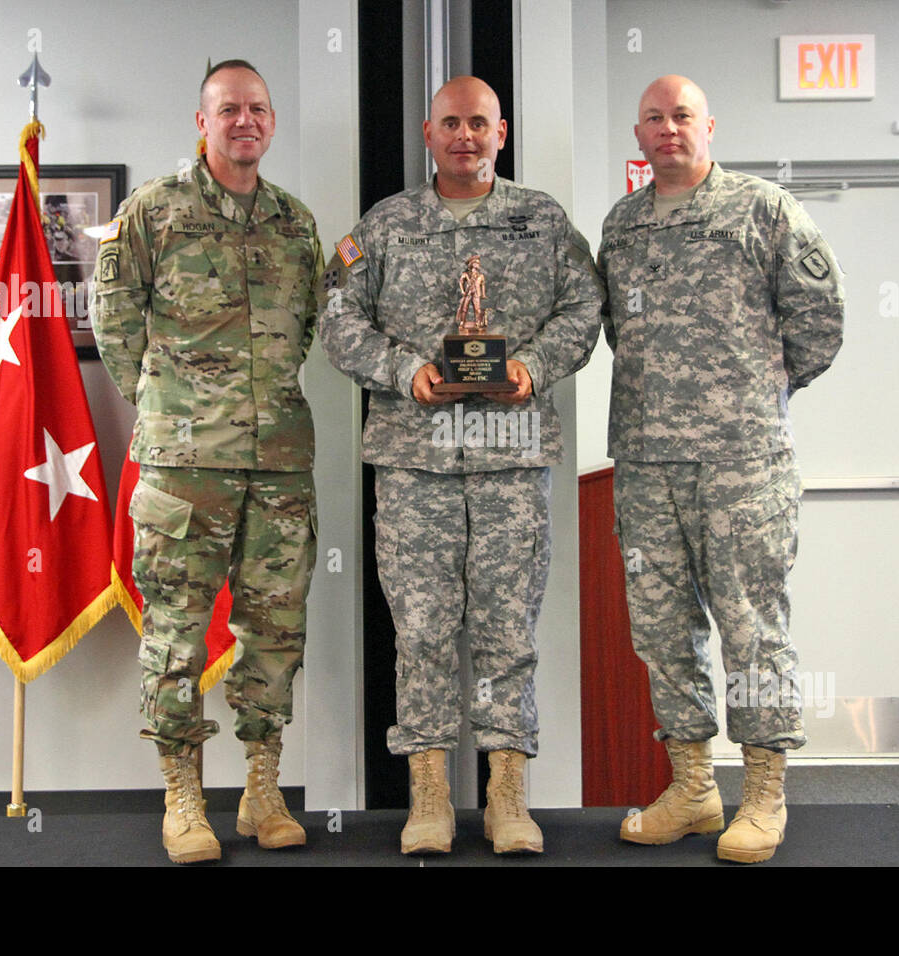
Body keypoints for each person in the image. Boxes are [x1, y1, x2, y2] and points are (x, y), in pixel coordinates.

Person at [322, 75, 601, 855]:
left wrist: (535, 367)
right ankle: (431, 796)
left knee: (509, 628)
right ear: (427, 132)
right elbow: (336, 315)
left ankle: (507, 794)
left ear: (501, 133)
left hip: (511, 461)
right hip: (415, 464)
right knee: (422, 630)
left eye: (479, 124)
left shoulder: (540, 221)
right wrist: (402, 368)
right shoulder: (386, 226)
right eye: (451, 124)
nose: (465, 137)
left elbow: (586, 308)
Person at [598, 75, 844, 863]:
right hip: (645, 461)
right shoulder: (623, 224)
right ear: (638, 134)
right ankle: (695, 787)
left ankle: (764, 792)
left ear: (710, 125)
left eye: (683, 116)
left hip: (742, 462)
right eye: (654, 118)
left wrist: (754, 394)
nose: (669, 129)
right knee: (663, 631)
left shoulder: (763, 210)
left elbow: (820, 323)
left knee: (751, 627)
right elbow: (615, 331)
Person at [90, 60, 323, 864]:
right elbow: (118, 331)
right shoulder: (151, 214)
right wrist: (172, 412)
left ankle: (263, 786)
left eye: (258, 109)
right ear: (203, 121)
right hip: (184, 468)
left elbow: (308, 329)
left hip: (281, 463)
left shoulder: (297, 223)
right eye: (230, 110)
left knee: (276, 630)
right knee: (178, 631)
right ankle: (182, 795)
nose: (246, 121)